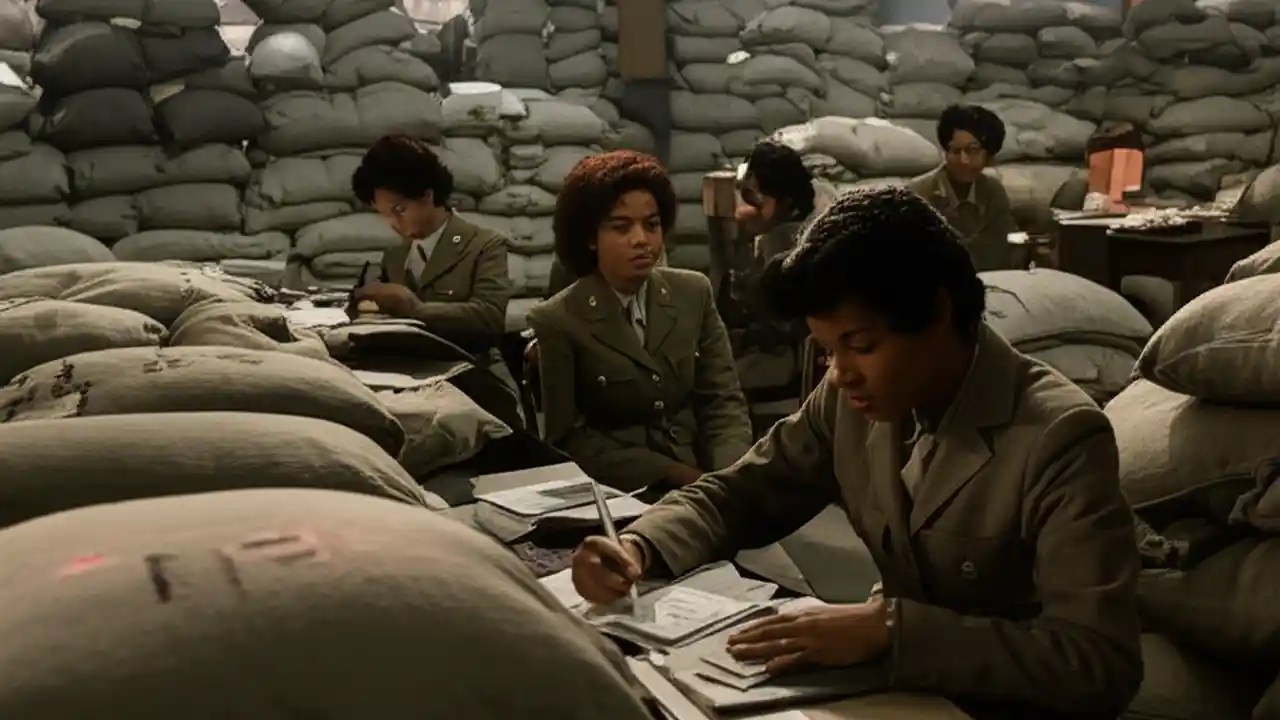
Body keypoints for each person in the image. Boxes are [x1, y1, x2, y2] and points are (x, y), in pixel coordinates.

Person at [569, 186, 1142, 719]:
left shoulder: (1060, 436)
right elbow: (740, 493)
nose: (841, 374)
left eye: (861, 346)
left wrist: (894, 630)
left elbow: (1097, 663)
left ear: (938, 313)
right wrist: (641, 546)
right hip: (889, 691)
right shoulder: (850, 401)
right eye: (826, 351)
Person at [528, 150, 753, 492]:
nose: (641, 240)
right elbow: (569, 439)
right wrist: (673, 473)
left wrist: (729, 478)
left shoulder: (693, 293)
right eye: (621, 227)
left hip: (706, 479)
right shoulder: (557, 319)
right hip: (619, 488)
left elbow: (722, 401)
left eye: (652, 225)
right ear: (590, 238)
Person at [350, 134, 517, 394]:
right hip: (409, 382)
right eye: (384, 215)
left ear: (427, 195)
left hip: (474, 379)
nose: (393, 224)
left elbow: (489, 319)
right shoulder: (395, 255)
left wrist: (414, 308)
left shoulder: (483, 245)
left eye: (400, 210)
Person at [909, 104, 1018, 271]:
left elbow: (1006, 249)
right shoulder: (918, 194)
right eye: (955, 151)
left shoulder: (993, 192)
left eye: (972, 150)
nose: (964, 160)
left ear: (987, 154)